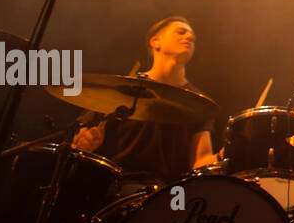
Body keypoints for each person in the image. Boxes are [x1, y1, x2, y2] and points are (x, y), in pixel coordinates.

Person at [72, 17, 219, 192]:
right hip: (115, 185)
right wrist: (83, 142)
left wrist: (227, 155)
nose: (189, 37)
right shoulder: (121, 89)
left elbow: (200, 161)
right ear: (155, 41)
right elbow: (79, 138)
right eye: (181, 32)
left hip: (168, 193)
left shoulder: (199, 102)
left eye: (193, 37)